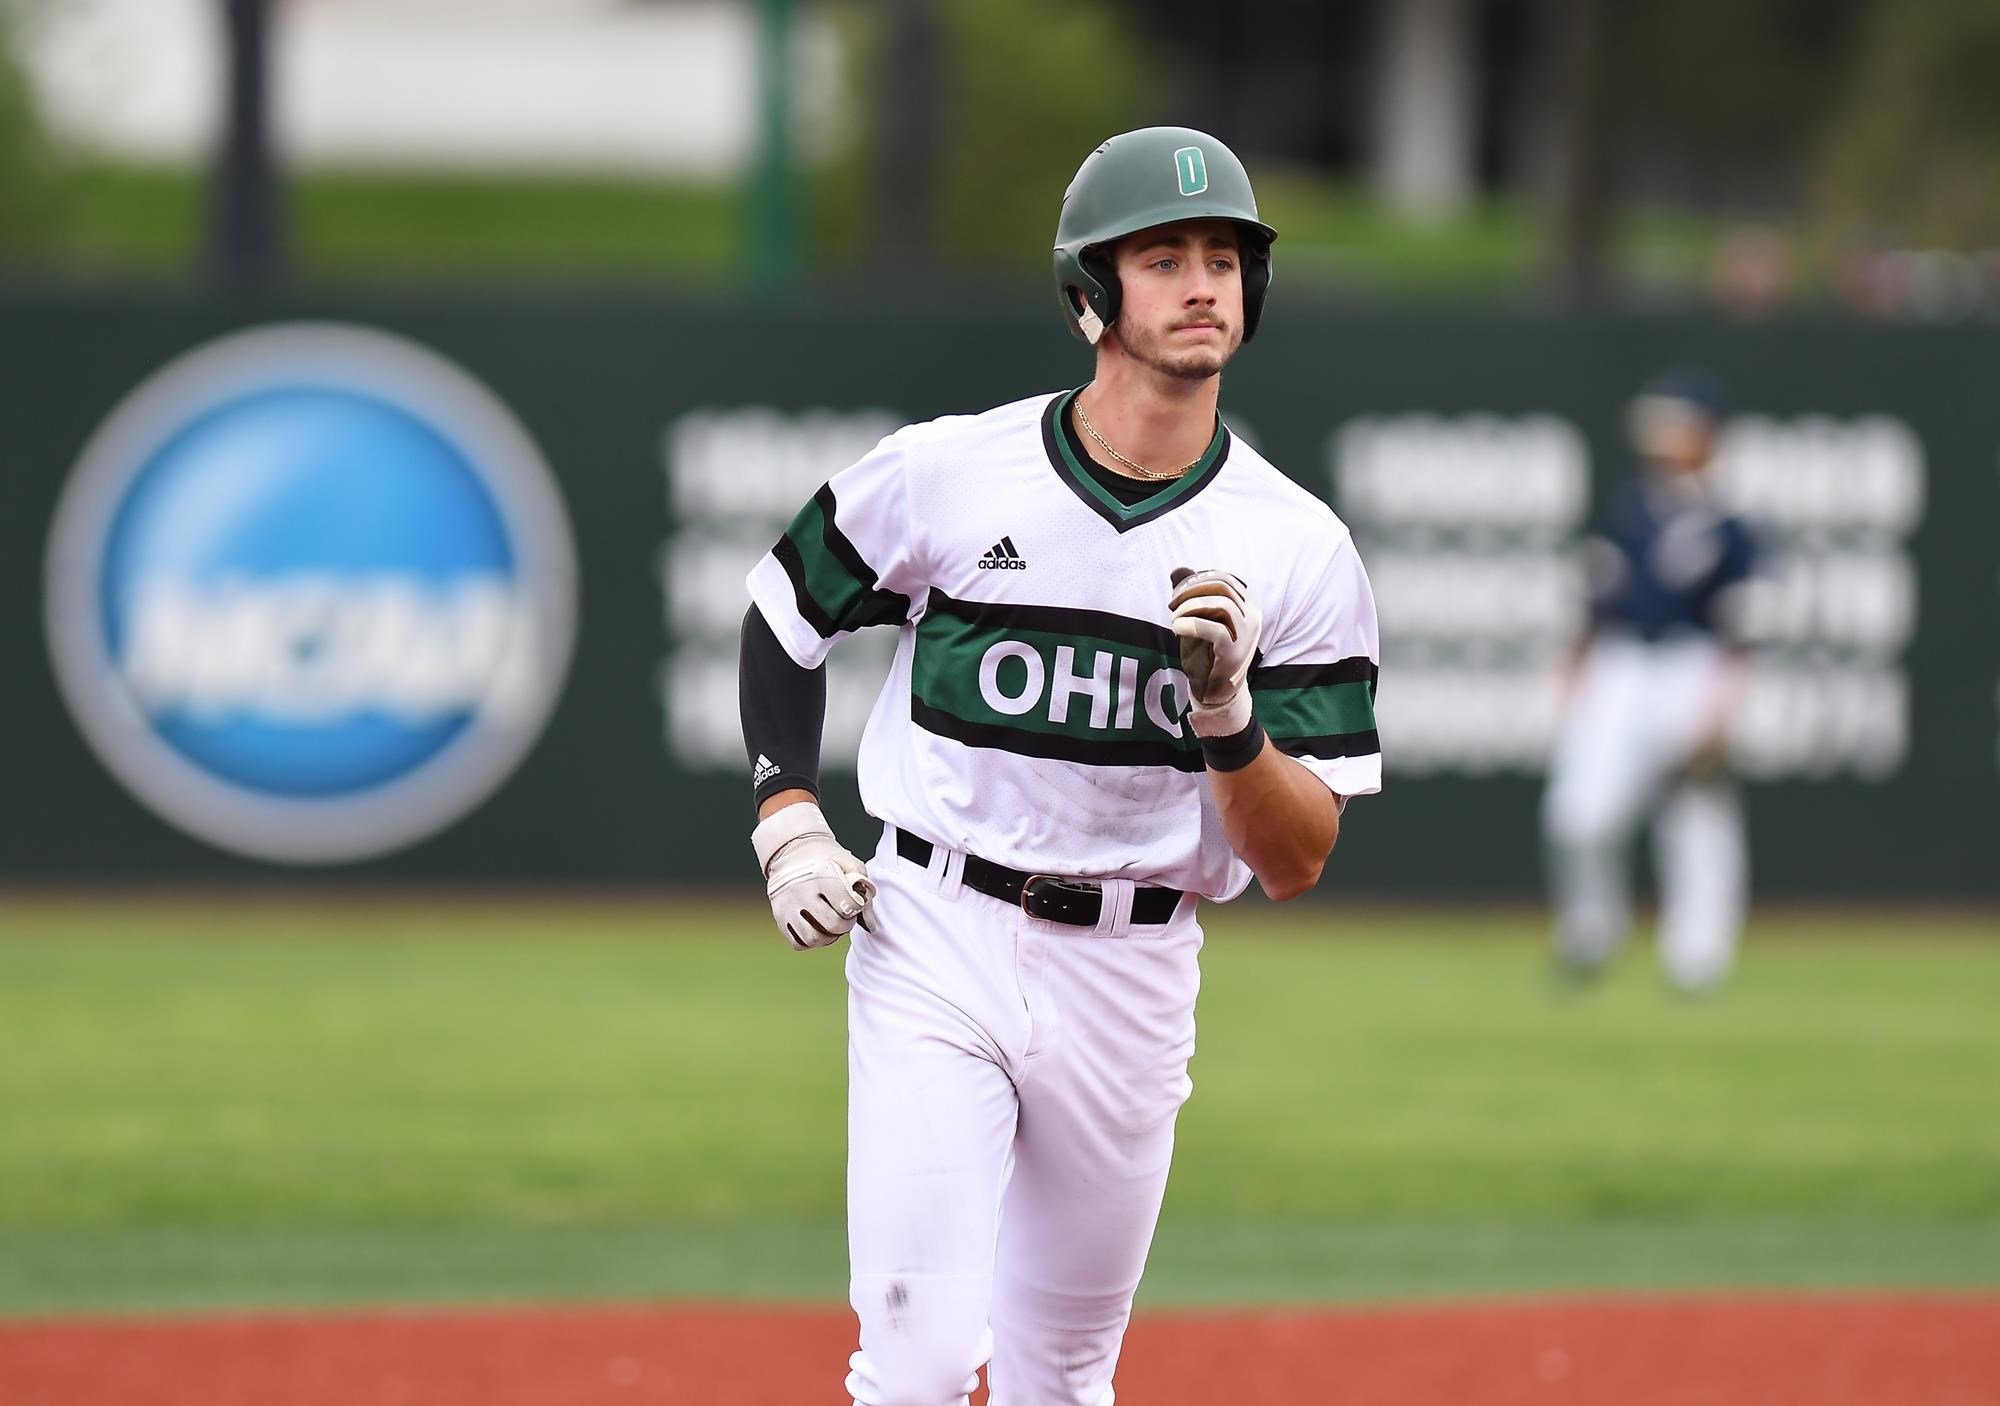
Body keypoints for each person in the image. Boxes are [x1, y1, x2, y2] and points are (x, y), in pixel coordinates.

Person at [736, 127, 1381, 1405]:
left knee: (1062, 1377)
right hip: (935, 925)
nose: (1200, 284)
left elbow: (1296, 856)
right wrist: (787, 814)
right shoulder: (948, 472)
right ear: (1091, 292)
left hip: (1132, 965)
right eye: (1162, 258)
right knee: (917, 1360)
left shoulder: (1297, 546)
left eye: (1222, 258)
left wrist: (1226, 711)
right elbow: (782, 611)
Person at [1541, 369, 1760, 994]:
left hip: (1693, 665)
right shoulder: (1631, 508)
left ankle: (1698, 956)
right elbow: (1596, 598)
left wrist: (1725, 704)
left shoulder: (1732, 524)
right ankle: (1589, 934)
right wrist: (1575, 665)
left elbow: (1743, 629)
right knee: (1579, 812)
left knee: (1696, 812)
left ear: (1708, 434)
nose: (1661, 439)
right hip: (1622, 665)